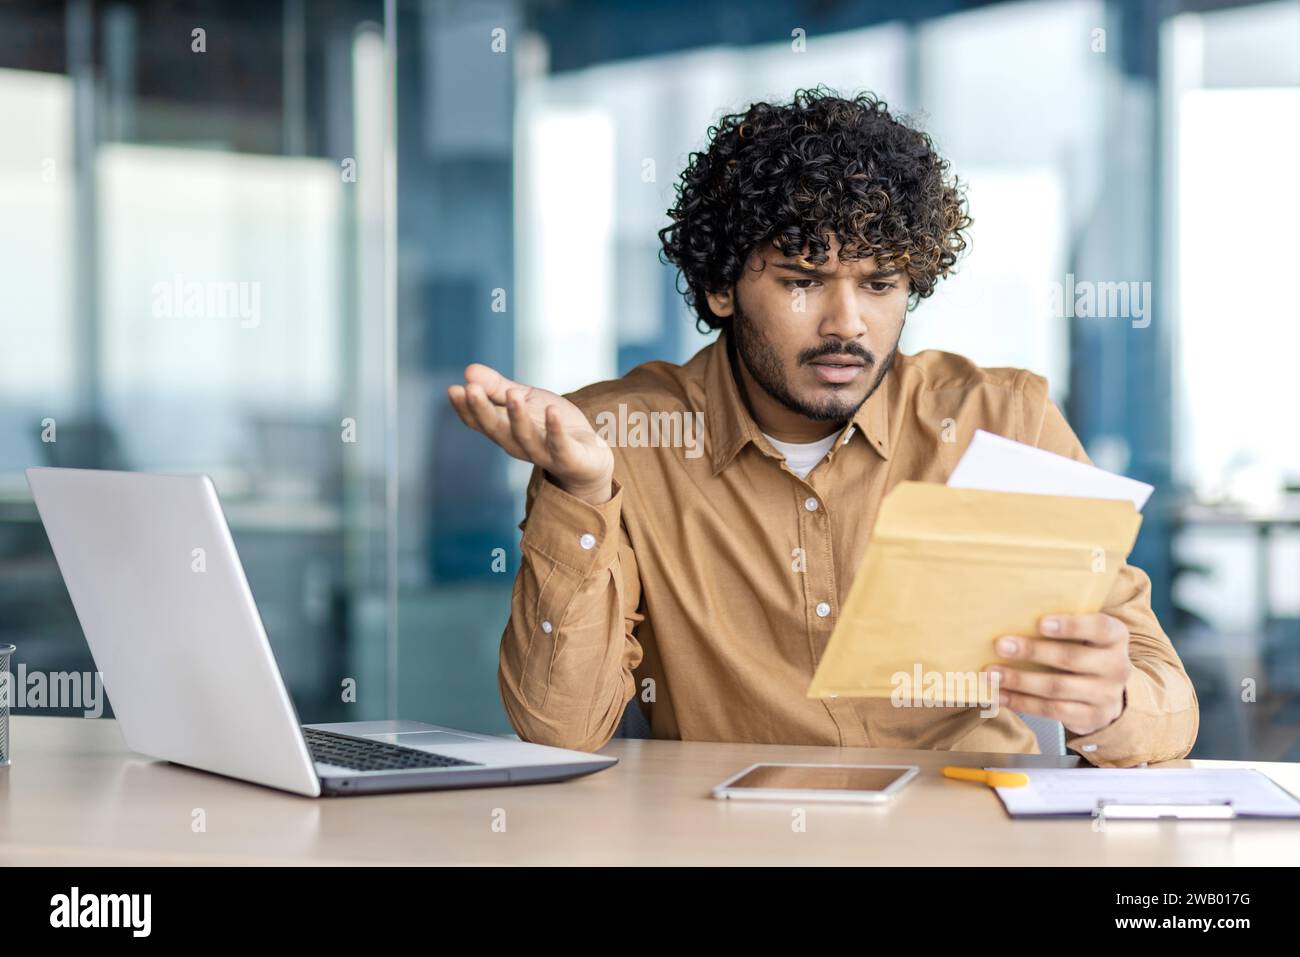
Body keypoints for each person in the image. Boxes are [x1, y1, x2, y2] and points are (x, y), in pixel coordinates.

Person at [448, 88, 1197, 767]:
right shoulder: (616, 439)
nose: (848, 325)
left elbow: (1169, 696)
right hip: (725, 842)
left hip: (964, 837)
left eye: (879, 284)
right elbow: (558, 728)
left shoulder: (1002, 422)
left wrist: (1111, 703)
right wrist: (581, 488)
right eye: (802, 282)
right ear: (720, 286)